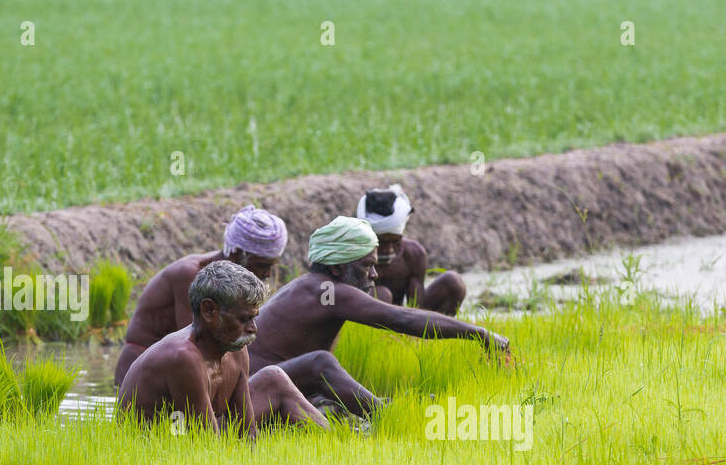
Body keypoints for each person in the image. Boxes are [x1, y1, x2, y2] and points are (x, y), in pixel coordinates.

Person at [247, 216, 509, 418]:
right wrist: (479, 333)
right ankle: (388, 412)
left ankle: (371, 410)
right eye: (366, 266)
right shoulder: (327, 290)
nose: (374, 274)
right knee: (321, 362)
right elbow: (403, 319)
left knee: (331, 405)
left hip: (261, 388)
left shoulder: (311, 286)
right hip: (251, 391)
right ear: (338, 267)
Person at [118, 261, 327, 434]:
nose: (253, 328)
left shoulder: (236, 350)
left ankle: (336, 445)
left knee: (274, 377)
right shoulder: (182, 357)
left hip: (191, 433)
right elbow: (206, 445)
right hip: (165, 445)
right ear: (209, 311)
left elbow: (245, 432)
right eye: (243, 319)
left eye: (254, 318)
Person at [113, 206, 288, 387]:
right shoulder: (192, 276)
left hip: (177, 370)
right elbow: (199, 343)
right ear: (236, 254)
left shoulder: (231, 286)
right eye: (261, 265)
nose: (267, 273)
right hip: (143, 376)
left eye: (272, 266)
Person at [356, 185, 466, 315]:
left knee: (454, 282)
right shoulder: (355, 255)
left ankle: (442, 332)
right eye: (381, 243)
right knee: (382, 294)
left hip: (403, 317)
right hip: (363, 315)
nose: (388, 249)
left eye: (395, 241)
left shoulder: (413, 254)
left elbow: (417, 306)